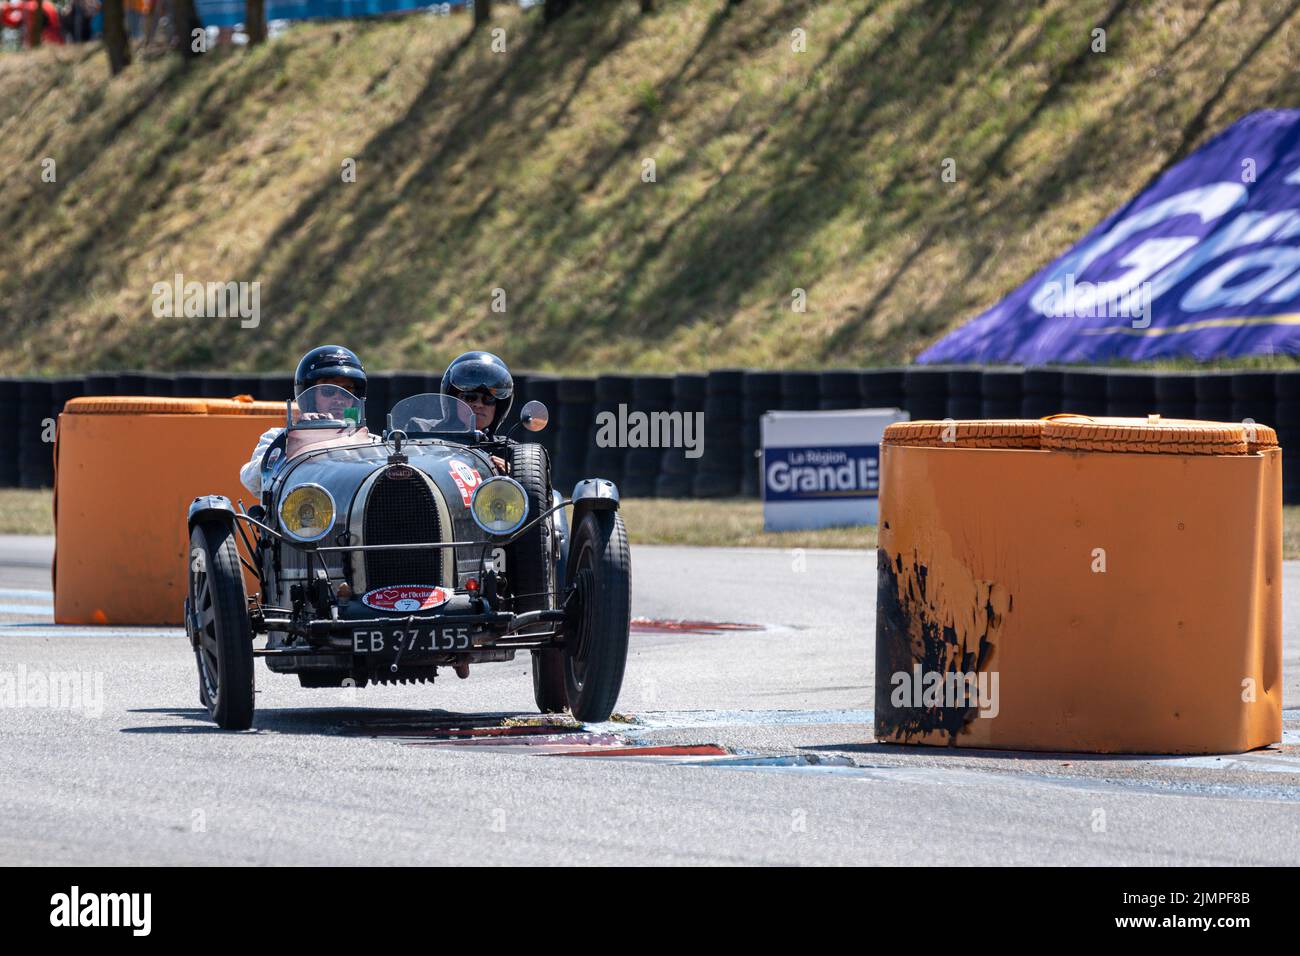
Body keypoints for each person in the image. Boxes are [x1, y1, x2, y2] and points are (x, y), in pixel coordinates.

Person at [239, 346, 369, 496]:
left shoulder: (368, 442)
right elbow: (250, 480)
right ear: (310, 396)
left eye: (347, 391)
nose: (339, 399)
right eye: (329, 390)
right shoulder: (279, 438)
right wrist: (297, 437)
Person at [441, 351, 514, 472]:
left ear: (499, 407)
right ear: (453, 401)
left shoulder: (510, 451)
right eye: (469, 397)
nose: (479, 404)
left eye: (488, 399)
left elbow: (536, 488)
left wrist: (513, 478)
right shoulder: (422, 430)